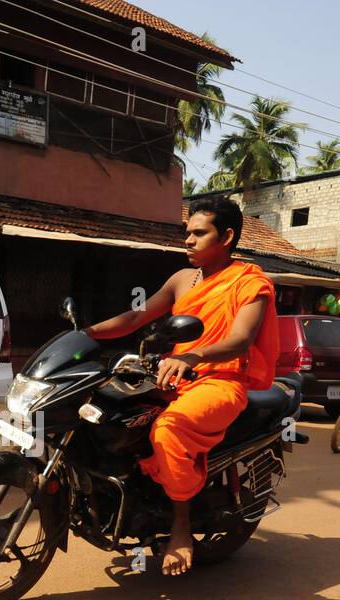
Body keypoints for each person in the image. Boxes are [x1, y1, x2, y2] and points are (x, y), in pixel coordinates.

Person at [83, 196, 278, 576]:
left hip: (220, 381)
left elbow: (240, 339)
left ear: (227, 236)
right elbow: (135, 317)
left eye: (199, 233)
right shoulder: (180, 280)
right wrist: (84, 334)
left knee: (168, 429)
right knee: (112, 413)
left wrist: (191, 357)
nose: (187, 240)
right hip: (172, 377)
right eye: (187, 233)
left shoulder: (250, 283)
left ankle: (180, 529)